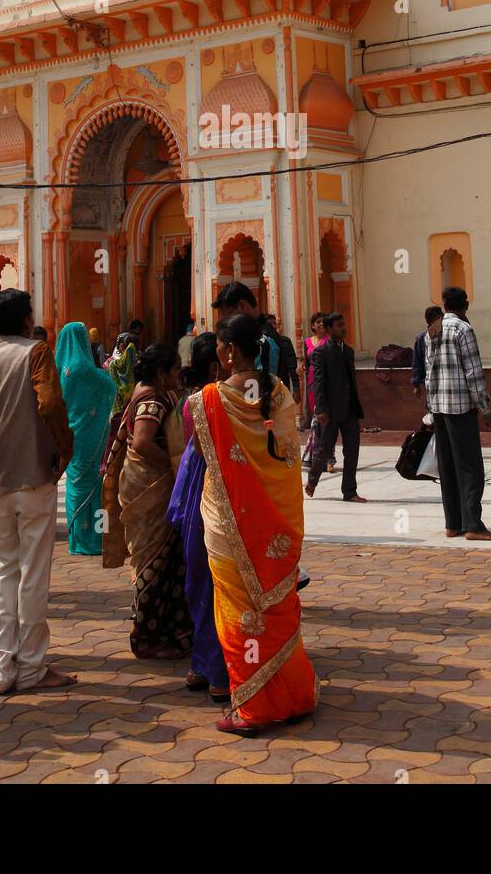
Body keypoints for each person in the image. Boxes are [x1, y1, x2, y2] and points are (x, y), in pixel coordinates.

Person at [190, 313, 318, 735]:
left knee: (238, 615)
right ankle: (294, 695)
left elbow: (193, 452)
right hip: (273, 527)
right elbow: (284, 458)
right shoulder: (279, 393)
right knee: (276, 610)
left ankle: (254, 708)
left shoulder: (205, 401)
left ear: (227, 352)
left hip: (228, 528)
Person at [0, 289, 76, 695]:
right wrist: (64, 448)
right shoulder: (35, 353)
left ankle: (2, 669)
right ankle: (30, 667)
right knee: (32, 575)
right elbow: (49, 403)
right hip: (33, 478)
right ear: (27, 319)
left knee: (4, 571)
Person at [101, 344, 191, 659]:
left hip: (143, 484)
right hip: (148, 486)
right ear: (161, 372)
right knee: (155, 560)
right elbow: (141, 441)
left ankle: (165, 628)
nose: (179, 375)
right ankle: (146, 637)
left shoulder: (147, 390)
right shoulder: (152, 398)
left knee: (161, 558)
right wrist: (173, 464)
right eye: (176, 369)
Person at [166, 333, 231, 703]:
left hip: (195, 493)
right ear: (216, 364)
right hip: (220, 494)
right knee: (219, 583)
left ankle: (202, 665)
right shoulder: (223, 401)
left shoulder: (190, 403)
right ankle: (222, 670)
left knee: (201, 582)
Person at [424, 287, 491, 543]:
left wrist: (431, 407)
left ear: (444, 305)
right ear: (465, 305)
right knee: (469, 467)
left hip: (439, 408)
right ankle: (473, 525)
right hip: (461, 407)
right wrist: (485, 407)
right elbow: (473, 372)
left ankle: (453, 523)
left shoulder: (431, 330)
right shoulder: (463, 329)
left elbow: (428, 373)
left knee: (447, 466)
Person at [55, 322, 116, 556]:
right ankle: (93, 538)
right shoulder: (84, 368)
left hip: (70, 433)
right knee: (93, 482)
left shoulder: (59, 367)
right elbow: (110, 388)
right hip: (90, 432)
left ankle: (76, 539)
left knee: (75, 483)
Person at [305, 312, 366, 505]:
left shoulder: (348, 351)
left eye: (344, 324)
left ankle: (349, 491)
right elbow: (319, 382)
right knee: (323, 451)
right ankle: (313, 479)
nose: (344, 328)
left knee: (352, 451)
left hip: (349, 410)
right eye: (339, 326)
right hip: (329, 411)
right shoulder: (321, 352)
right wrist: (321, 410)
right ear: (330, 329)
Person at [212, 282, 280, 378]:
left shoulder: (264, 340)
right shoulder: (253, 336)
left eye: (230, 314)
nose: (227, 322)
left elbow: (265, 386)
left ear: (242, 306)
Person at [301, 313, 335, 472]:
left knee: (326, 420)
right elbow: (305, 362)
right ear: (312, 325)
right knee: (316, 420)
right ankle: (316, 456)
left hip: (327, 382)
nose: (321, 324)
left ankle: (329, 458)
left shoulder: (330, 340)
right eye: (318, 322)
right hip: (312, 383)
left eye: (323, 322)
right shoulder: (307, 342)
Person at [265, 314, 301, 402]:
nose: (273, 326)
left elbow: (292, 367)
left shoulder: (285, 342)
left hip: (282, 386)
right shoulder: (259, 343)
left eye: (274, 323)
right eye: (270, 324)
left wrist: (296, 389)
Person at [413, 307, 444, 401]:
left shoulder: (446, 334)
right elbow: (417, 362)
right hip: (431, 382)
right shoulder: (422, 338)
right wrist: (416, 384)